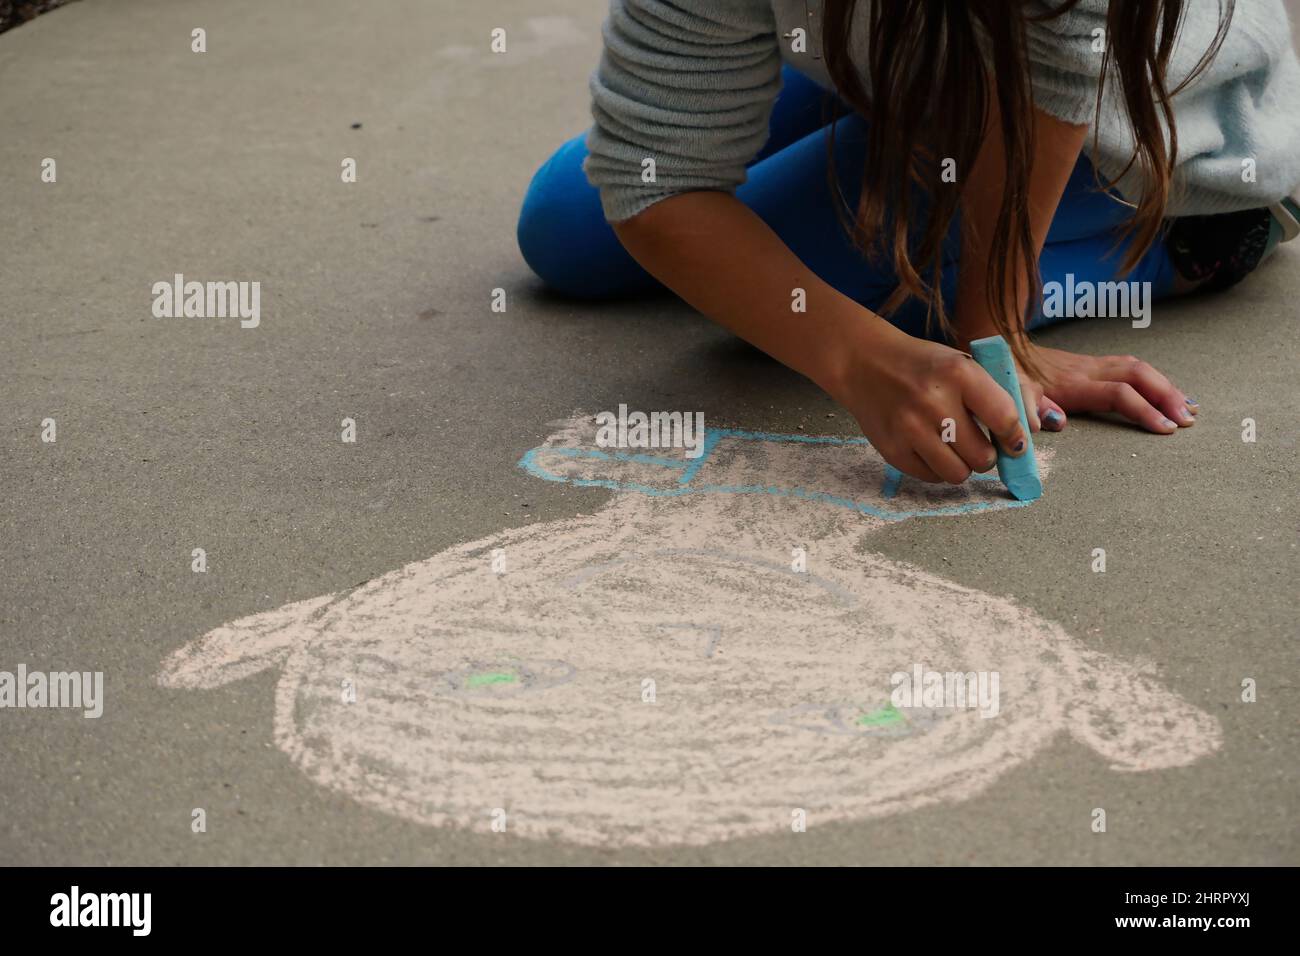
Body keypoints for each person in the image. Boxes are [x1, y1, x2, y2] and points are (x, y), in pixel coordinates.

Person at [518, 0, 1300, 483]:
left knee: (797, 284)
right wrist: (865, 360)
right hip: (899, 60)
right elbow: (650, 179)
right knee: (569, 230)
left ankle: (1211, 235)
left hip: (1133, 122)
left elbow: (1047, 93)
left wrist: (992, 332)